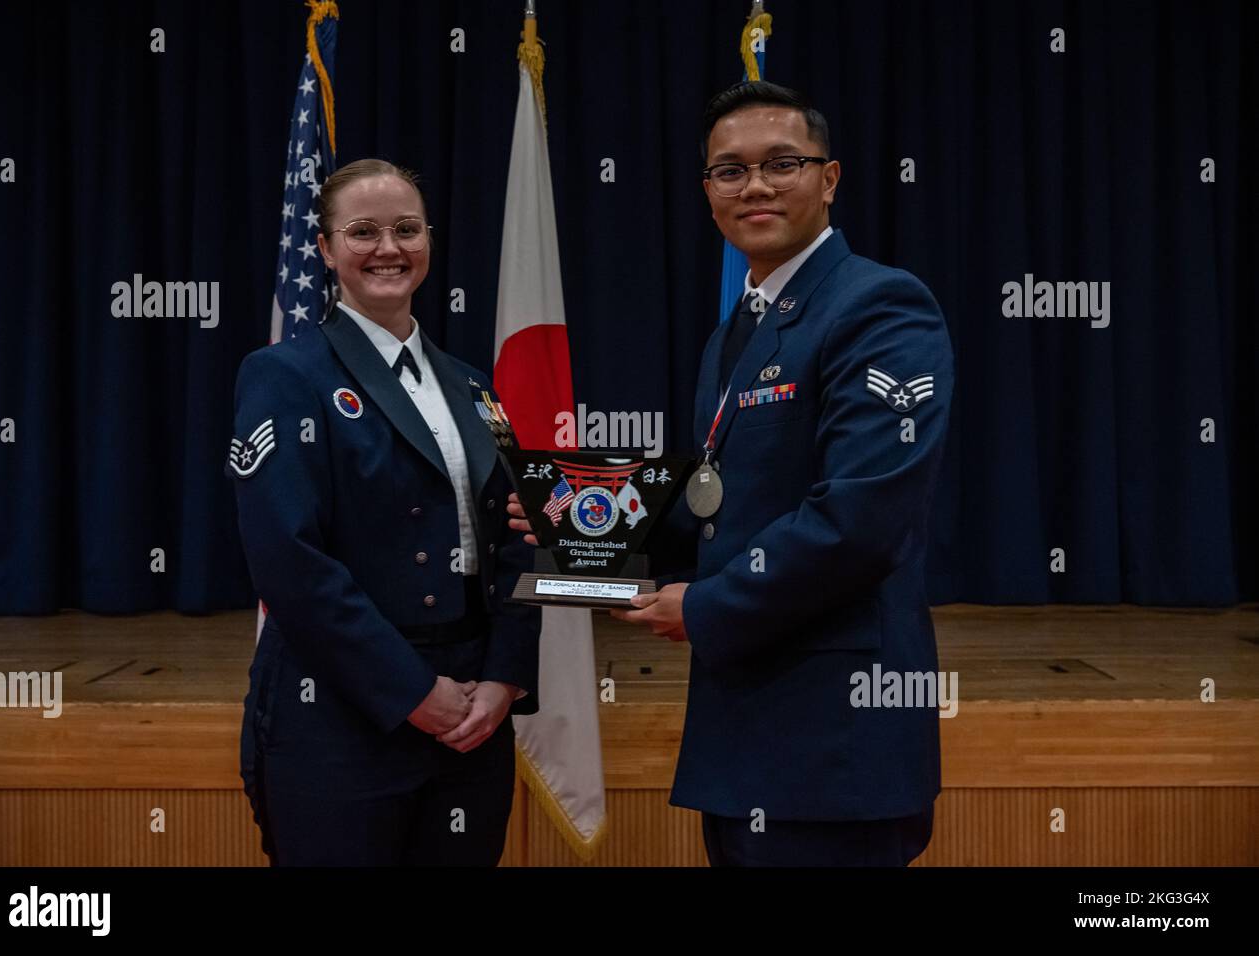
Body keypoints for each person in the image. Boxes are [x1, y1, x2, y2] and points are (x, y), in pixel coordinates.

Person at [615, 81, 954, 865]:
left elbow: (860, 520)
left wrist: (705, 607)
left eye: (782, 163)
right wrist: (578, 520)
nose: (755, 185)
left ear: (829, 178)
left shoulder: (880, 306)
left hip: (834, 742)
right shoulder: (742, 324)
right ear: (707, 193)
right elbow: (719, 503)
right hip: (747, 735)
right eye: (729, 171)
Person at [227, 158, 539, 866]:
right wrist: (409, 690)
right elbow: (289, 561)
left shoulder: (473, 387)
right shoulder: (285, 375)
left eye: (406, 228)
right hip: (340, 707)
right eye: (363, 231)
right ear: (327, 249)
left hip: (473, 707)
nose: (388, 248)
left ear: (429, 239)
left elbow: (522, 535)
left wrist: (506, 676)